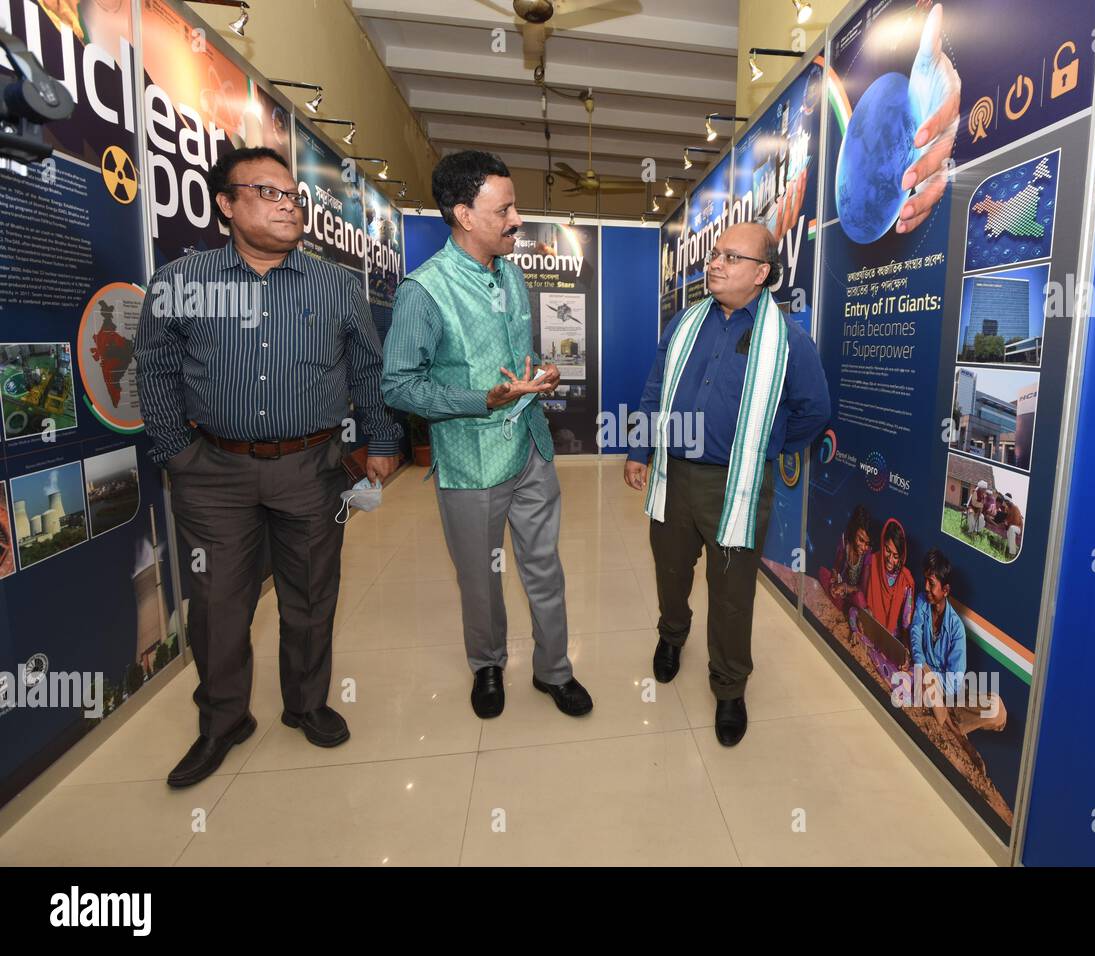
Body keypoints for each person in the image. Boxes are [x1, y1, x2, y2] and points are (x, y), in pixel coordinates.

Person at [136, 147, 403, 788]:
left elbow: (369, 370)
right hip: (214, 472)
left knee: (311, 595)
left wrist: (383, 440)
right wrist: (178, 456)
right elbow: (156, 371)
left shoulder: (335, 284)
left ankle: (306, 705)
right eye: (269, 191)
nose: (289, 204)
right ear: (226, 204)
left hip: (312, 468)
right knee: (217, 605)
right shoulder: (182, 281)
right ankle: (223, 721)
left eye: (293, 195)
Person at [381, 150, 592, 720]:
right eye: (505, 209)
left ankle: (555, 671)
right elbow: (398, 385)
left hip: (531, 448)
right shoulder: (423, 291)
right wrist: (481, 401)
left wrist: (537, 375)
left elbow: (511, 359)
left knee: (545, 567)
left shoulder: (513, 273)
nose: (518, 219)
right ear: (464, 215)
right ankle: (489, 667)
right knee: (481, 578)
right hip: (470, 464)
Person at [625, 222, 830, 746]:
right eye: (714, 254)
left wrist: (772, 444)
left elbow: (814, 411)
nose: (713, 264)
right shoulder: (685, 322)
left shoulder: (788, 342)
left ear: (762, 273)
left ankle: (730, 688)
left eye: (730, 258)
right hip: (674, 475)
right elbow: (654, 387)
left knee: (733, 593)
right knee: (671, 572)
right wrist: (639, 447)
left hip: (736, 487)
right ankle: (672, 636)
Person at [908, 549, 1006, 747]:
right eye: (925, 580)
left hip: (948, 690)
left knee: (997, 709)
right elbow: (915, 634)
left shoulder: (957, 629)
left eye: (932, 583)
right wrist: (919, 663)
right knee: (923, 675)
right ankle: (950, 726)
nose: (926, 587)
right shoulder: (921, 601)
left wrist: (930, 677)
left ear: (945, 590)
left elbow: (953, 684)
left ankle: (951, 720)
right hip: (924, 673)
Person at [865, 517, 915, 641]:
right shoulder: (872, 562)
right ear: (882, 544)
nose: (890, 559)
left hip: (890, 638)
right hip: (868, 626)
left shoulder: (906, 580)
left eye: (896, 556)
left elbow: (906, 623)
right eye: (887, 550)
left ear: (901, 556)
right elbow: (861, 595)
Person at [818, 505, 871, 616]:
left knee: (859, 599)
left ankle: (846, 608)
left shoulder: (867, 554)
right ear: (853, 531)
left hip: (853, 594)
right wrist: (833, 582)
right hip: (840, 588)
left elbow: (862, 590)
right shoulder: (845, 541)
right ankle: (840, 603)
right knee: (823, 572)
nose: (864, 547)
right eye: (861, 540)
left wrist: (845, 587)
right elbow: (836, 569)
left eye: (867, 543)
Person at [999, 492, 1024, 558]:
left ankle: (1012, 553)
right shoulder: (1007, 508)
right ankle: (1002, 549)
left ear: (1009, 501)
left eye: (1006, 501)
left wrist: (1007, 523)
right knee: (1008, 529)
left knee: (1012, 528)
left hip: (1018, 528)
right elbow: (1006, 519)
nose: (1006, 503)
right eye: (1005, 501)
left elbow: (1016, 522)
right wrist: (1004, 523)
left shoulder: (1015, 508)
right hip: (1010, 527)